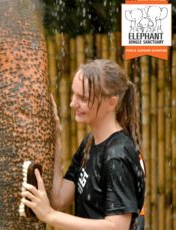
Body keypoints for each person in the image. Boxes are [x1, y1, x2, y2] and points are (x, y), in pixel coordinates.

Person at [21, 59, 146, 230]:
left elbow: (117, 227)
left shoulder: (117, 156)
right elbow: (58, 199)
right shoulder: (89, 143)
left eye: (83, 98)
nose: (73, 103)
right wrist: (55, 137)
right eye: (74, 94)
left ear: (111, 103)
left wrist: (50, 215)